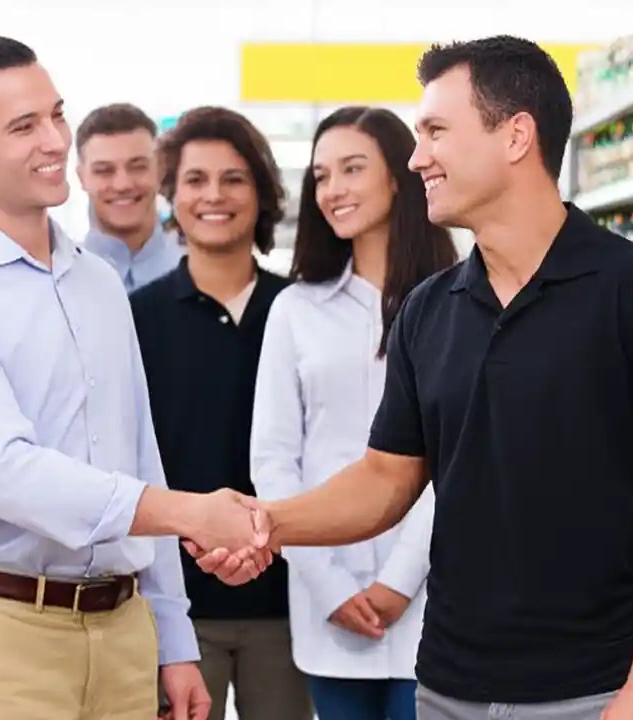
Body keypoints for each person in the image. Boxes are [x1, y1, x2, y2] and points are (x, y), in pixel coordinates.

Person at [193, 36, 633, 720]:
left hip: (595, 692)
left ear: (515, 136)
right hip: (447, 688)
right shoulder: (429, 309)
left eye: (435, 132)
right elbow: (386, 480)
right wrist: (268, 523)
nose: (417, 157)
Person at [0, 34, 266, 720]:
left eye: (56, 115)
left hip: (122, 631)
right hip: (2, 638)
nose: (54, 139)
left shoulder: (96, 282)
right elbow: (9, 473)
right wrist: (192, 513)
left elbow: (140, 450)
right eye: (24, 126)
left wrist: (173, 641)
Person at [251, 105, 457, 720]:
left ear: (399, 175)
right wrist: (330, 585)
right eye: (321, 176)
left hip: (434, 600)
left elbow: (455, 457)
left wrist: (400, 578)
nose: (333, 189)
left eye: (352, 169)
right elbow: (274, 460)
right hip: (326, 607)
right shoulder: (295, 309)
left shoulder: (458, 297)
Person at [130, 106, 313, 720]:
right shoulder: (135, 317)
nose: (215, 195)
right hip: (176, 613)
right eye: (196, 180)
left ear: (262, 193)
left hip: (293, 605)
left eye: (234, 179)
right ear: (172, 197)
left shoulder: (301, 311)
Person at [77, 102, 183, 291]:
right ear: (81, 177)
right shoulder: (55, 281)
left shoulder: (199, 274)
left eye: (138, 167)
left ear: (160, 170)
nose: (123, 185)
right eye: (104, 170)